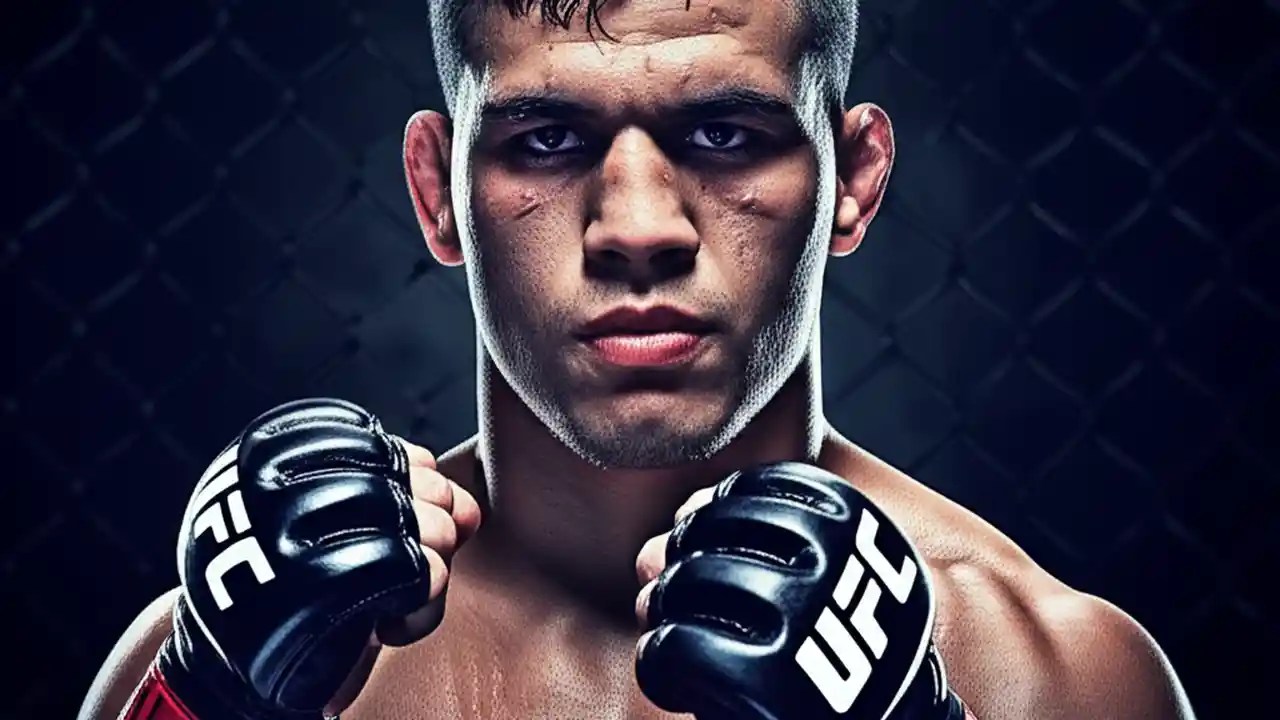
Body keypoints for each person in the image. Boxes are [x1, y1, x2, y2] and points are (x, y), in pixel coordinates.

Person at [78, 1, 1196, 718]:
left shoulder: (1043, 676)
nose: (636, 226)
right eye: (546, 140)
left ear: (852, 179)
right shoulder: (247, 646)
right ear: (437, 194)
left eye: (723, 134)